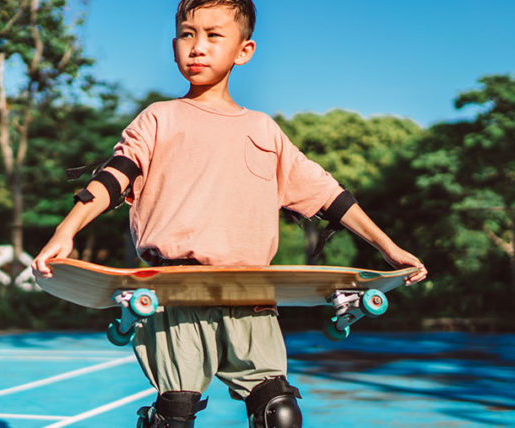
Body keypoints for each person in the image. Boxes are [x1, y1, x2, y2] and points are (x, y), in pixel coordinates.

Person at [32, 0, 428, 426]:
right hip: (175, 293)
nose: (197, 47)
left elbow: (327, 194)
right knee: (176, 415)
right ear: (174, 44)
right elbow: (114, 177)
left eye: (213, 35)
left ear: (244, 50)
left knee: (281, 414)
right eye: (187, 34)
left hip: (250, 295)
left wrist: (388, 248)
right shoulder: (158, 119)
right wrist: (65, 230)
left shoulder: (263, 131)